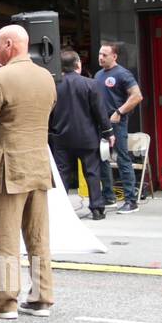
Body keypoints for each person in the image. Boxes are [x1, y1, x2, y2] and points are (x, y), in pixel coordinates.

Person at [0, 25, 57, 319]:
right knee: (37, 235)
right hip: (37, 162)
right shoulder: (46, 77)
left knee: (3, 237)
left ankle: (5, 301)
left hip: (6, 167)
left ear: (9, 44)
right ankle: (42, 297)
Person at [50, 50, 113, 220]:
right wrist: (108, 132)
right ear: (78, 64)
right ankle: (97, 208)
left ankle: (59, 210)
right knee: (92, 173)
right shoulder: (91, 84)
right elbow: (100, 112)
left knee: (62, 174)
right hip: (87, 137)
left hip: (62, 137)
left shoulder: (53, 85)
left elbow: (48, 112)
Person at [96, 41, 144, 213]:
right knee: (102, 159)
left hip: (116, 122)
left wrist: (119, 112)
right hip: (101, 122)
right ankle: (109, 197)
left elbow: (137, 96)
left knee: (123, 159)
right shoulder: (98, 75)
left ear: (114, 56)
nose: (101, 58)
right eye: (100, 54)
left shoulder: (123, 74)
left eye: (105, 55)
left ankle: (131, 200)